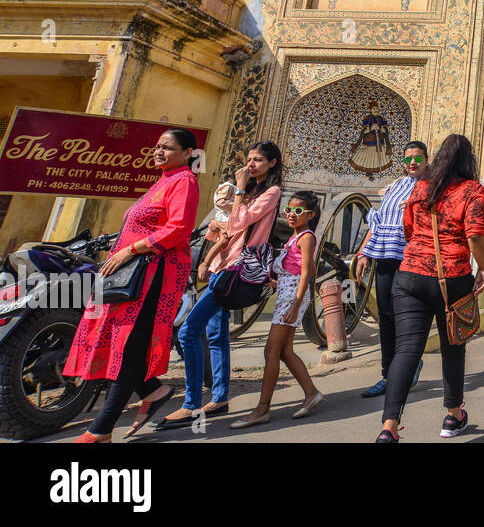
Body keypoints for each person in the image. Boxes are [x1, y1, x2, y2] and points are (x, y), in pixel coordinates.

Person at [63, 129, 201, 442]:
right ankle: (154, 390)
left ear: (188, 152)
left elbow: (179, 228)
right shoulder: (163, 180)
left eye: (167, 147)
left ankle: (101, 429)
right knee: (123, 343)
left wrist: (131, 249)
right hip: (133, 275)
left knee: (128, 348)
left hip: (154, 276)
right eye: (158, 146)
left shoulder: (184, 181)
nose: (159, 151)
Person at [157, 141, 282, 429]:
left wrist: (238, 189)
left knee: (188, 332)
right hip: (221, 266)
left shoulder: (271, 193)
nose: (251, 165)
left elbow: (239, 222)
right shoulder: (251, 192)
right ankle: (219, 397)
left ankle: (190, 404)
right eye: (249, 159)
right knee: (216, 333)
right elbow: (226, 227)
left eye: (259, 160)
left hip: (235, 269)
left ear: (272, 163)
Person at [376, 134, 484, 442]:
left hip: (409, 275)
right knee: (453, 346)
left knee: (406, 350)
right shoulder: (472, 189)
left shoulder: (422, 186)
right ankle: (453, 417)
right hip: (452, 277)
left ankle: (389, 428)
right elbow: (474, 235)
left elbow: (408, 228)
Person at [231, 191, 325, 428]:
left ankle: (262, 409)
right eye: (289, 210)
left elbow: (306, 273)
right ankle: (311, 393)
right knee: (283, 351)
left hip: (291, 297)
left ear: (310, 215)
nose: (292, 215)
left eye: (298, 211)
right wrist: (276, 281)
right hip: (286, 291)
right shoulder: (294, 238)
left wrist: (295, 304)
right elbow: (300, 269)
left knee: (271, 351)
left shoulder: (306, 237)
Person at [354, 142, 428, 398]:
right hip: (384, 255)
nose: (413, 164)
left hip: (411, 257)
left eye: (418, 159)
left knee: (403, 312)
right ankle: (388, 374)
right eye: (408, 160)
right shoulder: (395, 187)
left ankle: (406, 366)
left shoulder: (431, 187)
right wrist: (364, 252)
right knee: (385, 313)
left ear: (427, 161)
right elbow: (377, 221)